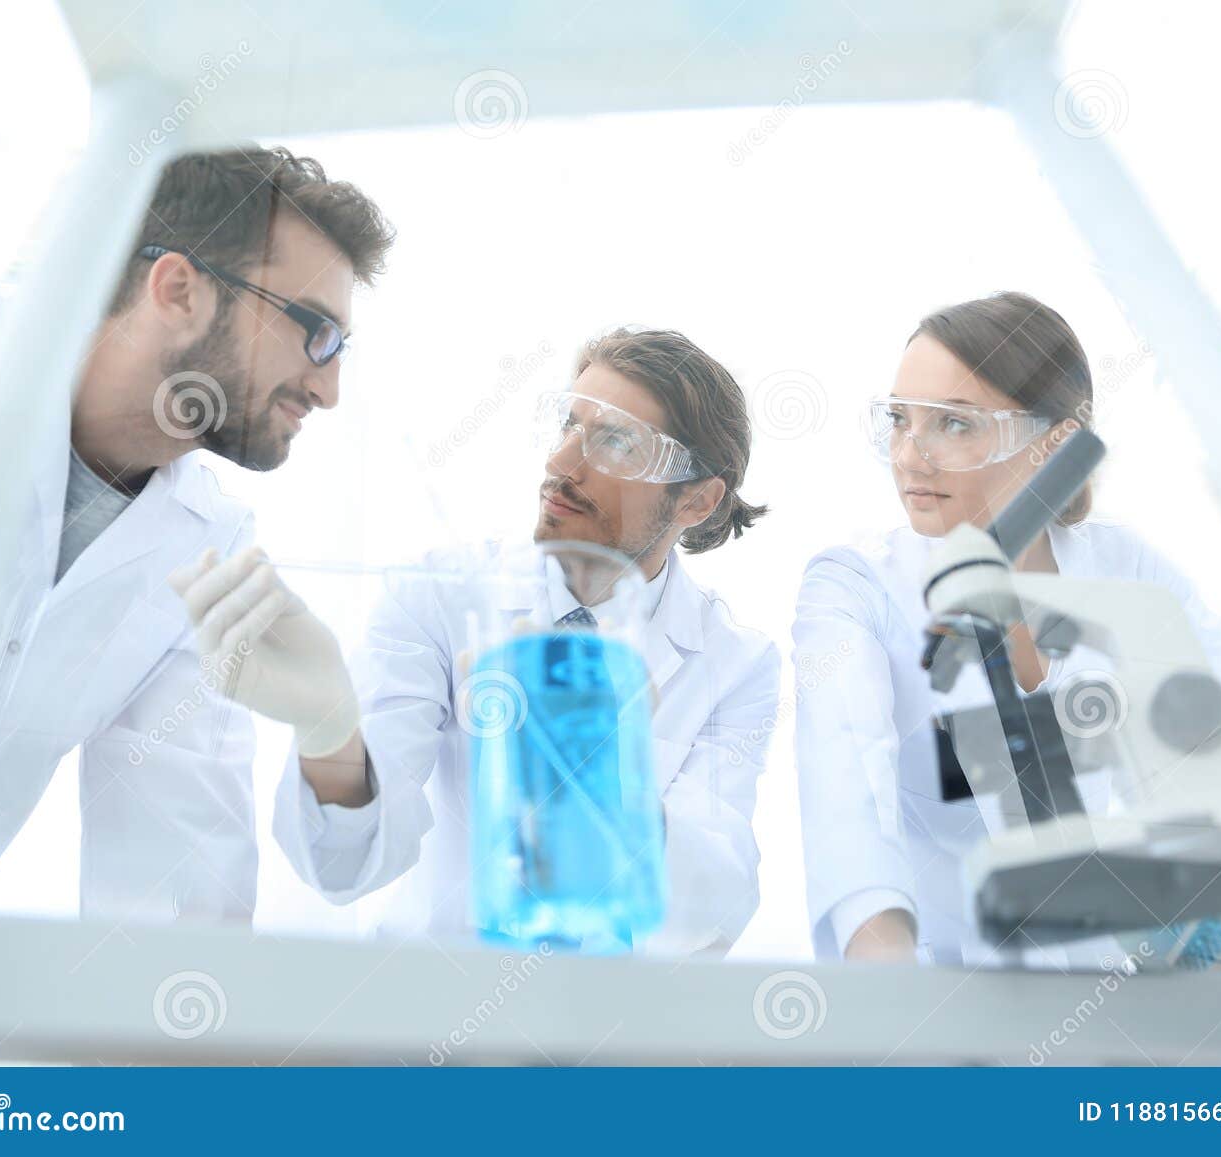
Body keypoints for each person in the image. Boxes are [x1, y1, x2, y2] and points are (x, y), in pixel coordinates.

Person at [0, 146, 393, 923]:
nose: (328, 388)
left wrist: (329, 730)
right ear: (178, 290)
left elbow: (172, 904)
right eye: (317, 332)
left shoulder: (209, 551)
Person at [172, 328, 780, 954]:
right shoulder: (443, 596)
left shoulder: (736, 663)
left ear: (698, 500)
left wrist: (597, 772)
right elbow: (343, 865)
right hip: (433, 1000)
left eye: (616, 443)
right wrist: (328, 729)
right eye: (569, 427)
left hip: (607, 1009)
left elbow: (712, 910)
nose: (561, 465)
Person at [794, 292, 1221, 967]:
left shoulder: (1126, 569)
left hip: (1136, 972)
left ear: (1056, 445)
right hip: (949, 984)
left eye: (954, 424)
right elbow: (847, 785)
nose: (910, 456)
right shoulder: (856, 584)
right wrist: (884, 978)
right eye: (899, 420)